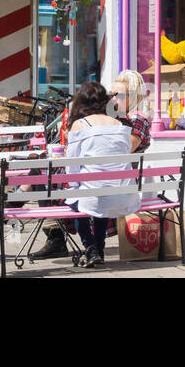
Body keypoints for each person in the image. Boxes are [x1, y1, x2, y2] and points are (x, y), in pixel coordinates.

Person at [63, 81, 142, 268]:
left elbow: (71, 170)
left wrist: (75, 186)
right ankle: (99, 248)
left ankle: (91, 247)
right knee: (100, 191)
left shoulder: (79, 125)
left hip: (97, 196)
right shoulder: (119, 124)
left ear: (81, 102)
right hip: (125, 196)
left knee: (78, 195)